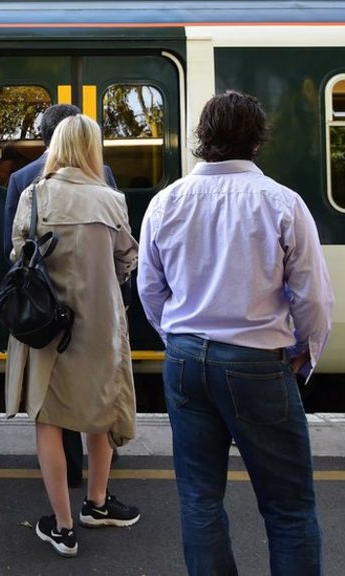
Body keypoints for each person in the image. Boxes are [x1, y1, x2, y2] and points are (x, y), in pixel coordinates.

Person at [138, 91, 333, 576]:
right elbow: (313, 297)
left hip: (185, 363)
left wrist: (178, 340)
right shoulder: (282, 202)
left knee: (200, 500)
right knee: (288, 508)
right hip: (256, 363)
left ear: (203, 138)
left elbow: (149, 288)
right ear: (257, 139)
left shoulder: (166, 202)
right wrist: (304, 355)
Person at [6, 114, 141, 558]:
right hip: (101, 325)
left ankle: (63, 527)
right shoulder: (110, 199)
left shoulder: (35, 195)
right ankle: (97, 504)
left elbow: (17, 254)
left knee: (49, 419)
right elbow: (127, 261)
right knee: (99, 411)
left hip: (47, 326)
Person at [4, 103, 120, 489]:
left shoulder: (24, 181)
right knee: (97, 392)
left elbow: (16, 250)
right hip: (98, 311)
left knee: (50, 405)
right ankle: (99, 496)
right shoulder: (105, 182)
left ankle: (67, 491)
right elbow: (122, 254)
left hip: (46, 310)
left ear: (46, 138)